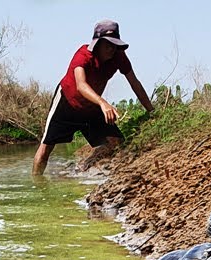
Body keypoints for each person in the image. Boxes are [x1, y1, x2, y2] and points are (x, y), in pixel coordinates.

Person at [32, 20, 154, 175]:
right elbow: (81, 85)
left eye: (115, 45)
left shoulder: (119, 57)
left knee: (117, 143)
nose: (112, 49)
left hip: (91, 108)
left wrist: (152, 111)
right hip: (67, 104)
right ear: (97, 43)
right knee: (45, 150)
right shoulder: (83, 55)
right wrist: (103, 102)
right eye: (108, 45)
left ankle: (86, 168)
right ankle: (36, 185)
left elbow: (134, 83)